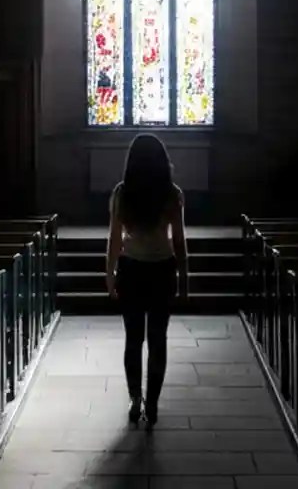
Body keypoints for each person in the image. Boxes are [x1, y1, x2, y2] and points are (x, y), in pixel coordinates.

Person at [105, 134, 190, 428]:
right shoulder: (171, 193)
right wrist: (184, 278)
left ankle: (135, 399)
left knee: (133, 339)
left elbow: (115, 239)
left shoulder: (122, 192)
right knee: (157, 340)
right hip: (162, 270)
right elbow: (178, 241)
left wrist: (110, 273)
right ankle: (152, 401)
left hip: (131, 269)